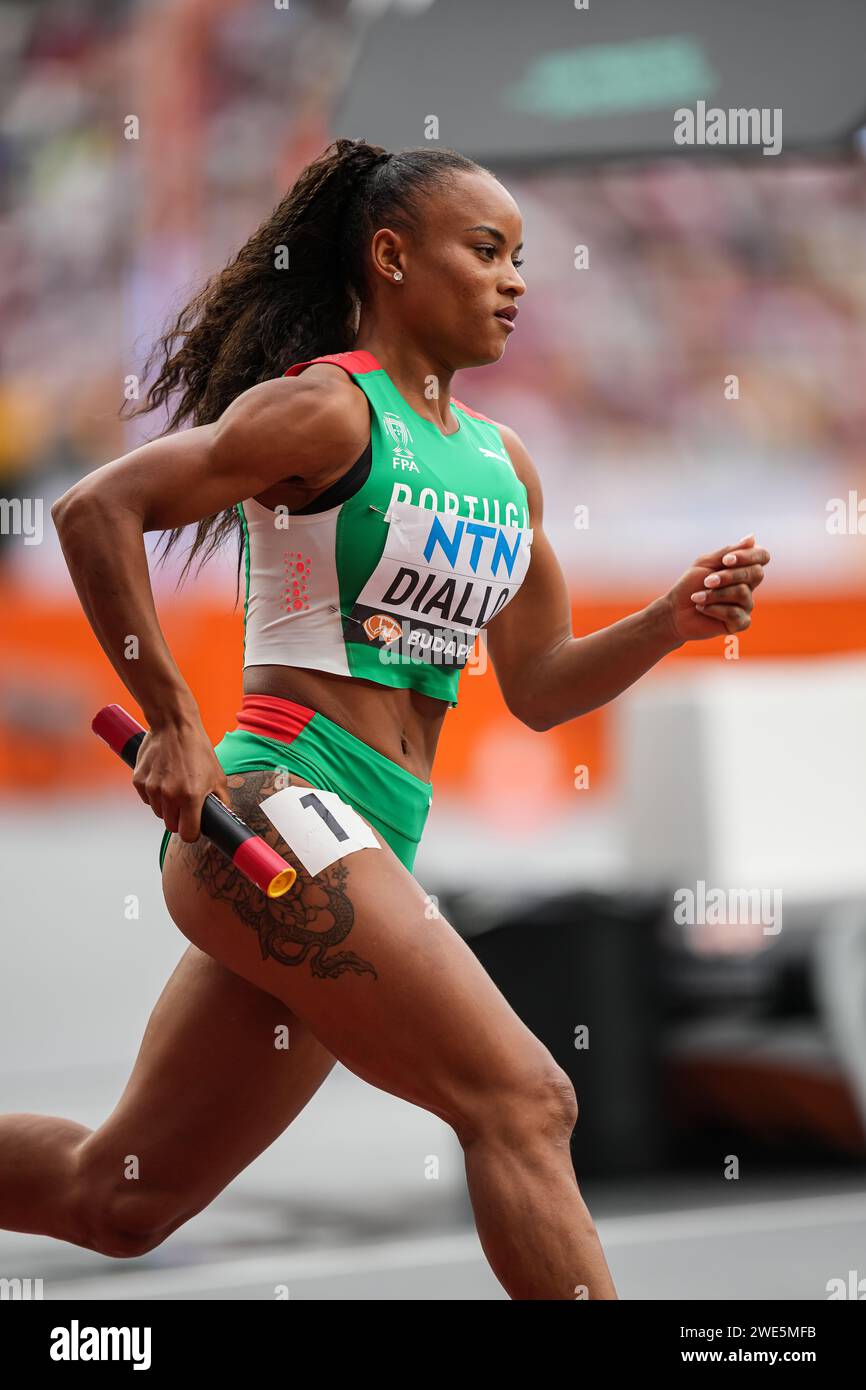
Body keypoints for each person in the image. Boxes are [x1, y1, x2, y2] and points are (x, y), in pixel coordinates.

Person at [8, 138, 769, 1300]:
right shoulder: (325, 409)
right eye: (486, 251)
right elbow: (95, 509)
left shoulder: (503, 467)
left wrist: (668, 620)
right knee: (523, 1096)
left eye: (520, 256)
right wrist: (171, 717)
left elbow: (540, 682)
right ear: (391, 256)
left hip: (370, 837)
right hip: (267, 814)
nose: (516, 279)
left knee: (117, 1200)